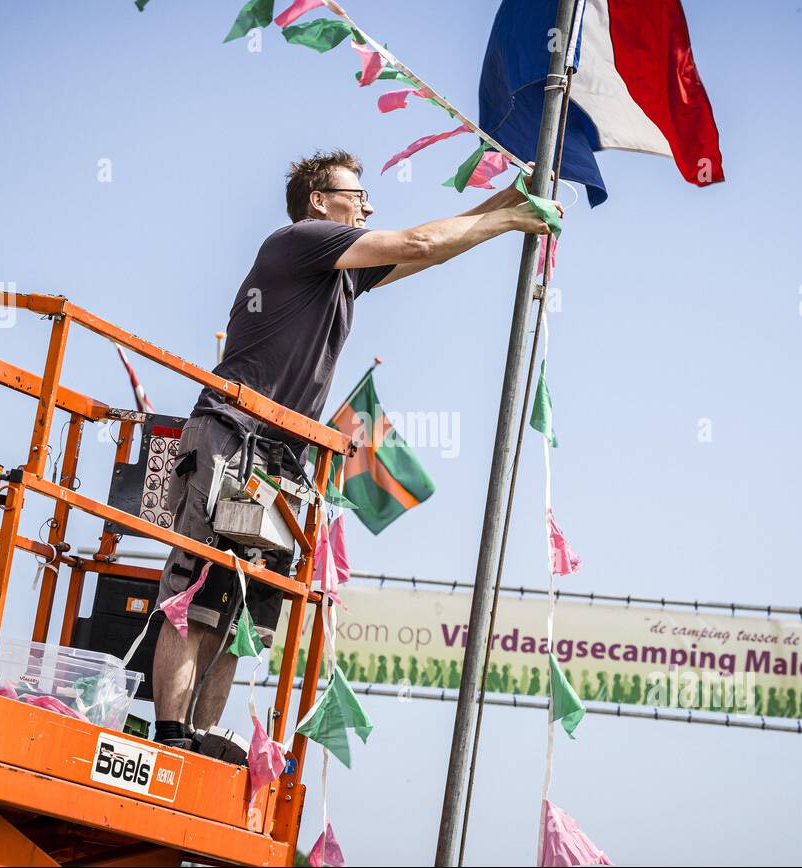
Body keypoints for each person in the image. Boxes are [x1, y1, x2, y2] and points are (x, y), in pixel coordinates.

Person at [151, 148, 559, 755]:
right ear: (320, 202)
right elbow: (418, 241)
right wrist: (513, 219)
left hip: (282, 451)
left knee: (241, 611)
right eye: (355, 192)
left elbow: (432, 249)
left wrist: (505, 203)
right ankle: (170, 734)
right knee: (194, 596)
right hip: (233, 432)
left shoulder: (338, 269)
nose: (367, 202)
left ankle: (200, 737)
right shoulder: (300, 240)